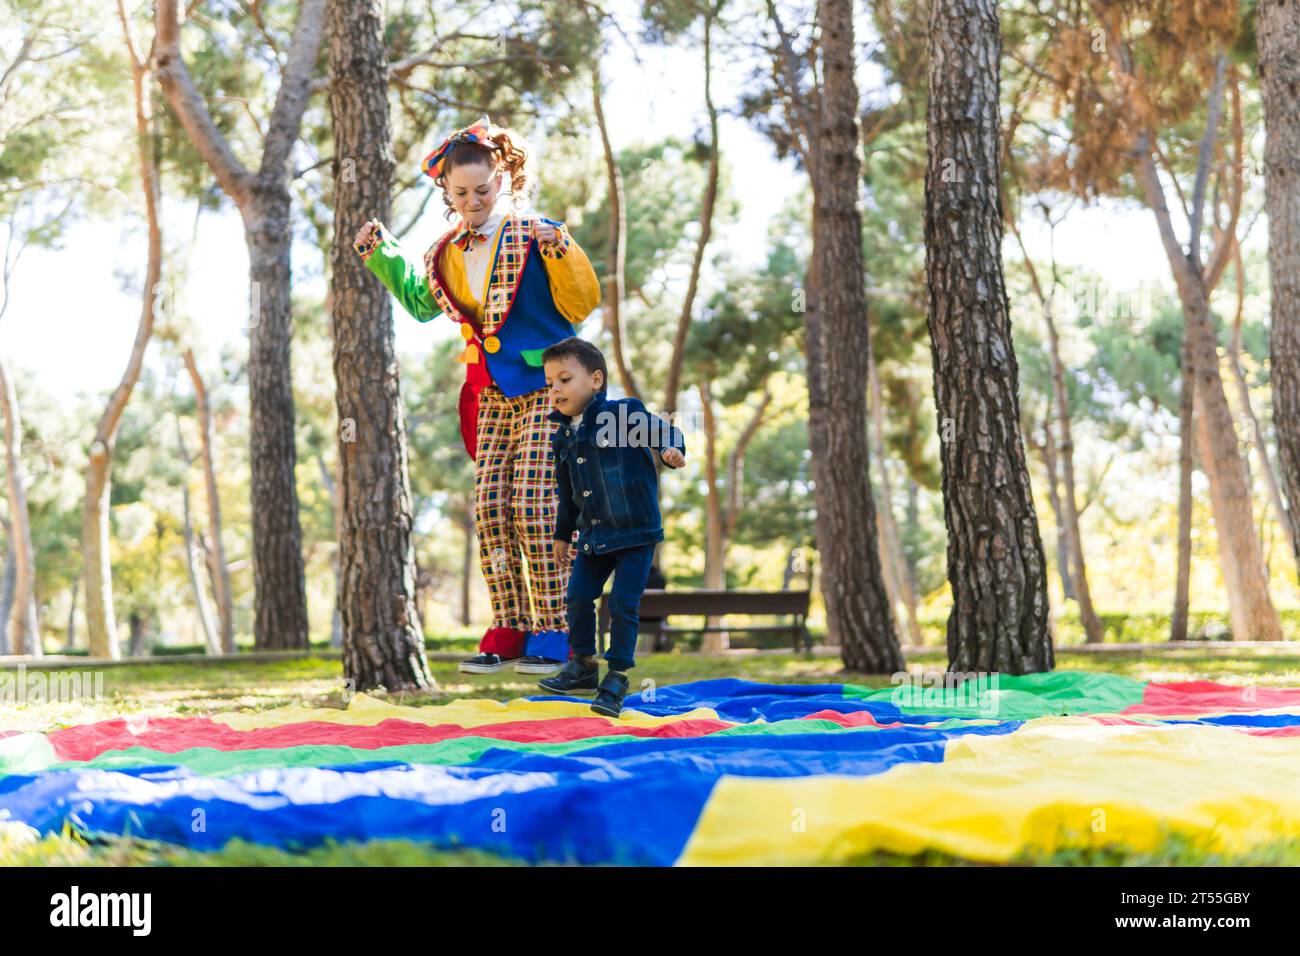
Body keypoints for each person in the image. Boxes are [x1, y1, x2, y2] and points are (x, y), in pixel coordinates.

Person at [352, 116, 601, 676]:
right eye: (460, 193)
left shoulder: (537, 233)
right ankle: (509, 625)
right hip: (487, 391)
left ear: (505, 180)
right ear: (446, 192)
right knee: (492, 508)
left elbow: (581, 303)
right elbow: (421, 304)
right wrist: (383, 253)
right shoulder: (445, 252)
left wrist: (559, 247)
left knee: (538, 507)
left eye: (483, 190)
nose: (473, 201)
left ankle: (558, 628)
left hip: (545, 386)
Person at [536, 338, 686, 717]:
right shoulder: (564, 436)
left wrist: (671, 451)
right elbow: (567, 492)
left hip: (636, 533)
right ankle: (584, 664)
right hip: (593, 537)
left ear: (596, 380)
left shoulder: (622, 416)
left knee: (622, 603)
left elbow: (665, 432)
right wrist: (560, 534)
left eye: (565, 380)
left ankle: (616, 676)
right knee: (577, 597)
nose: (555, 390)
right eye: (550, 383)